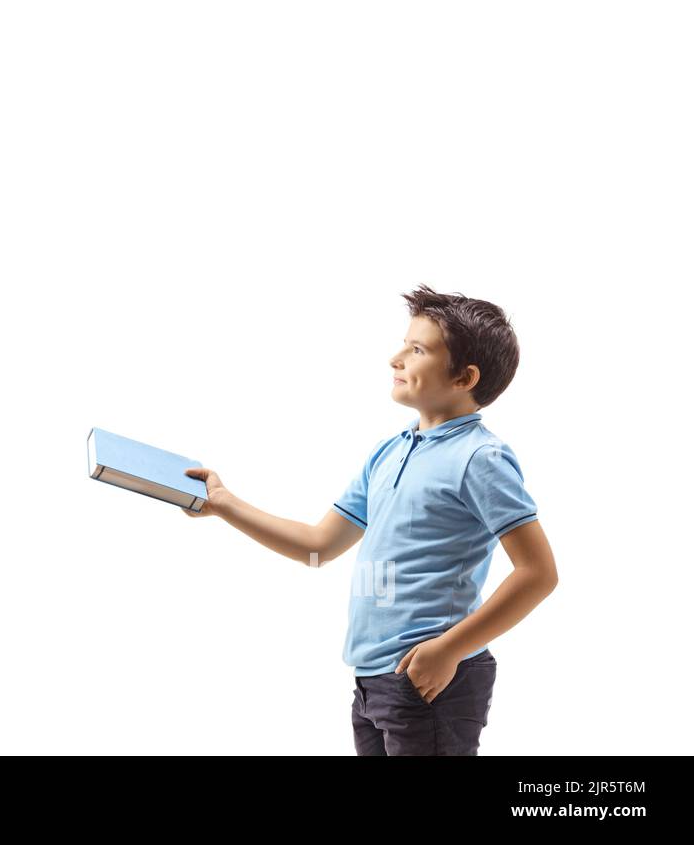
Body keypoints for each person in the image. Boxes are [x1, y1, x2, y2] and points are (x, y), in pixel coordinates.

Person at [182, 284, 557, 755]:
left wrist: (449, 650)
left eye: (416, 349)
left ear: (464, 377)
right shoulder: (390, 451)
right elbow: (317, 546)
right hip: (373, 677)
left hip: (431, 677)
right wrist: (224, 503)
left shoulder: (480, 458)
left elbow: (538, 574)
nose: (395, 359)